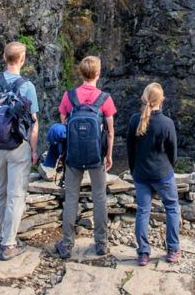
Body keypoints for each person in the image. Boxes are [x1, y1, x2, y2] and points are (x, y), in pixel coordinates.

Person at [0, 42, 39, 260]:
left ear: (4, 57)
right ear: (22, 60)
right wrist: (33, 150)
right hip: (18, 147)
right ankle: (9, 243)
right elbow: (33, 124)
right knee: (16, 195)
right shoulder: (28, 87)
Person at [53, 55, 116, 259]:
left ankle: (67, 244)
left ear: (80, 73)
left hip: (73, 156)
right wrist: (109, 155)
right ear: (98, 73)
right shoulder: (105, 99)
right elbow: (110, 131)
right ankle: (101, 243)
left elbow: (64, 127)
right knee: (99, 197)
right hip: (96, 156)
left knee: (71, 197)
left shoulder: (69, 96)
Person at [126, 82, 180, 266]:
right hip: (162, 173)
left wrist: (134, 170)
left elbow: (130, 149)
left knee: (143, 211)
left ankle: (143, 253)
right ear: (161, 99)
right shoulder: (166, 123)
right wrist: (170, 167)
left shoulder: (134, 120)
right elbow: (173, 152)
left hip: (141, 174)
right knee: (172, 208)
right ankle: (172, 249)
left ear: (144, 98)